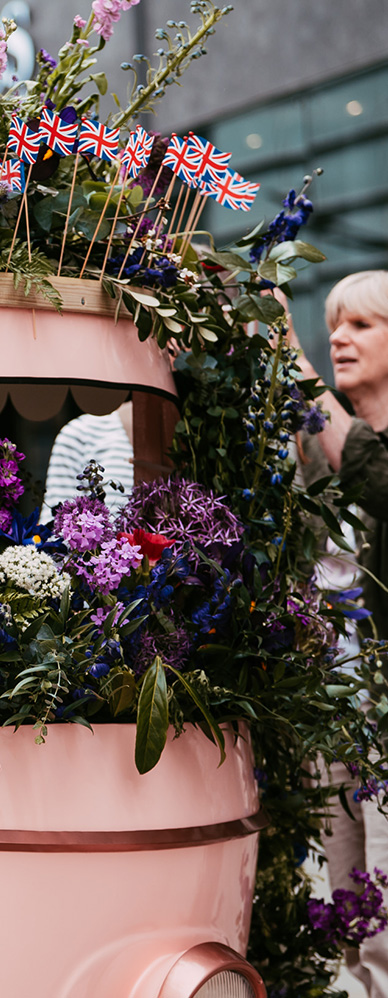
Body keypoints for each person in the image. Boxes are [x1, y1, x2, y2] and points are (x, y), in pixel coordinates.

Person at [291, 271, 388, 996]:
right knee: (340, 910)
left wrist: (297, 365)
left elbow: (372, 471)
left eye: (362, 325)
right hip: (332, 720)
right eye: (334, 325)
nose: (340, 339)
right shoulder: (320, 445)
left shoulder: (368, 452)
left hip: (382, 718)